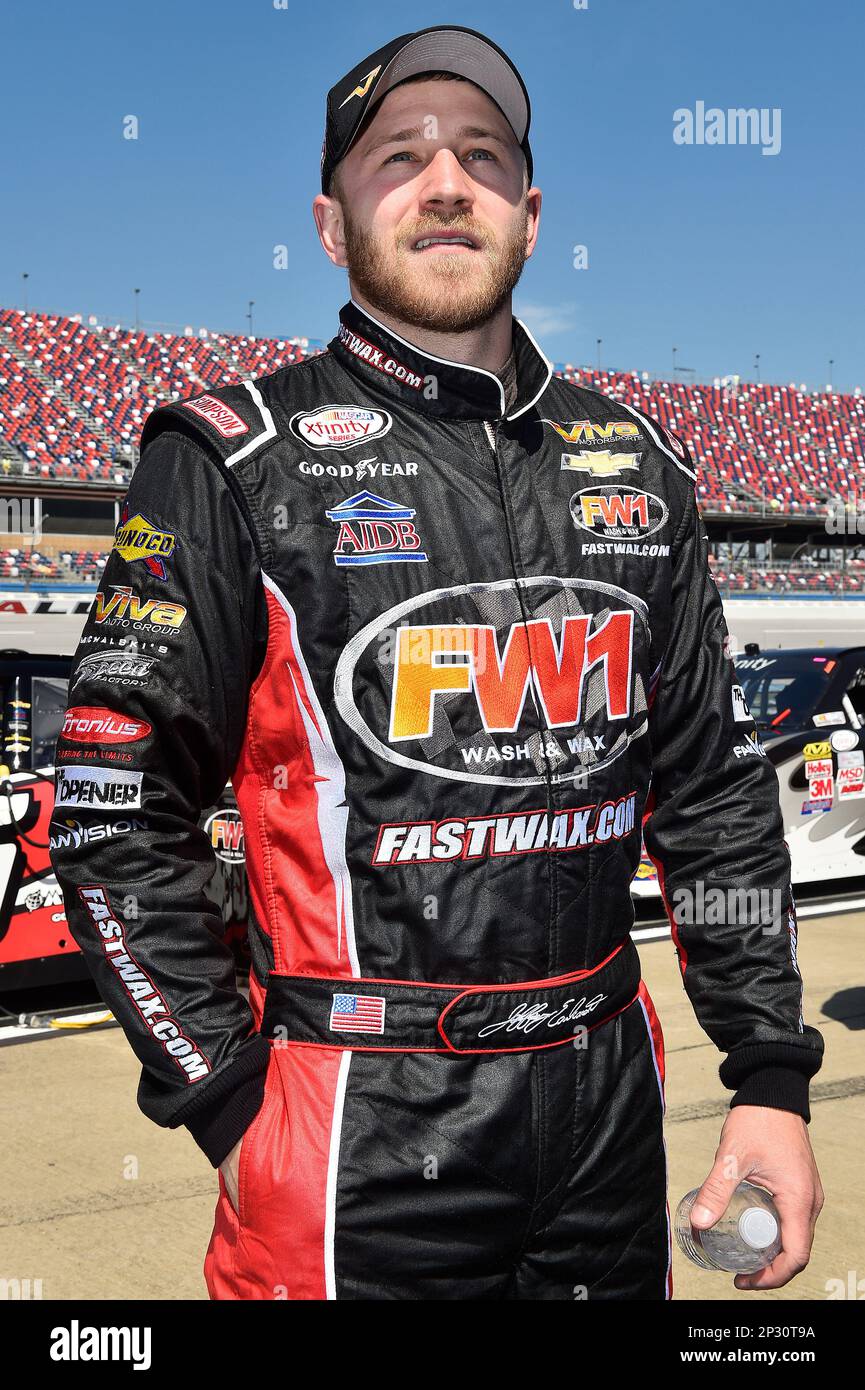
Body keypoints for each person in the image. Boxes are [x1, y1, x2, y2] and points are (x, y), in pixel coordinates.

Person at [49, 24, 823, 1300]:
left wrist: (771, 1078)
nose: (444, 180)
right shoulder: (229, 457)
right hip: (348, 1115)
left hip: (606, 1107)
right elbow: (108, 802)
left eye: (480, 152)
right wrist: (228, 1099)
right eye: (395, 157)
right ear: (329, 221)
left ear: (530, 208)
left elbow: (715, 799)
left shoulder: (639, 464)